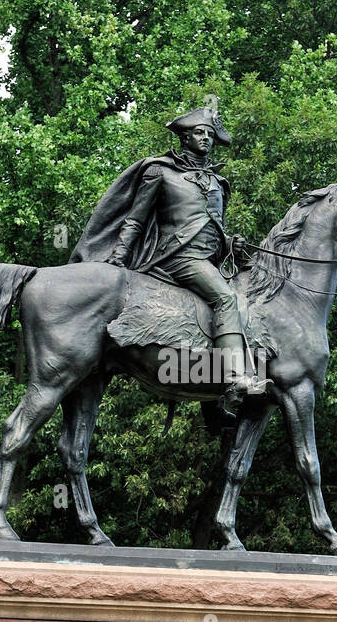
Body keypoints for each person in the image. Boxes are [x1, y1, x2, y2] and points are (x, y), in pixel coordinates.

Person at [71, 105, 268, 404]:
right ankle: (233, 377)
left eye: (210, 134)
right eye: (199, 133)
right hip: (178, 259)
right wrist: (119, 258)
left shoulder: (217, 182)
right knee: (226, 298)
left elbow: (211, 227)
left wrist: (230, 244)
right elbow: (136, 219)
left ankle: (211, 401)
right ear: (185, 137)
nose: (205, 138)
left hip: (207, 260)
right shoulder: (160, 172)